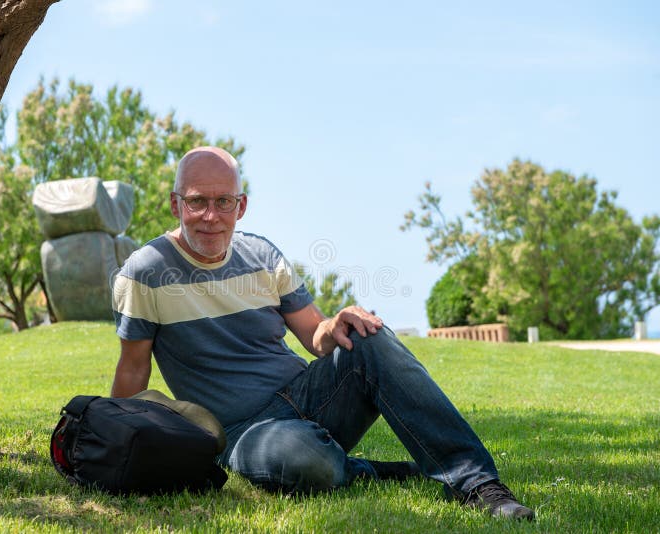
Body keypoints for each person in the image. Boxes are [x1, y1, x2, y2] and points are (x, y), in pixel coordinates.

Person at [111, 146, 534, 520]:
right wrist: (112, 438)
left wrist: (339, 322)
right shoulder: (145, 272)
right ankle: (372, 471)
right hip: (241, 433)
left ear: (241, 206)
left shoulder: (263, 256)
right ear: (175, 204)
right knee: (302, 459)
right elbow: (133, 371)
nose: (210, 216)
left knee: (369, 335)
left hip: (305, 395)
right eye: (197, 201)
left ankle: (478, 485)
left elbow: (316, 336)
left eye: (223, 201)